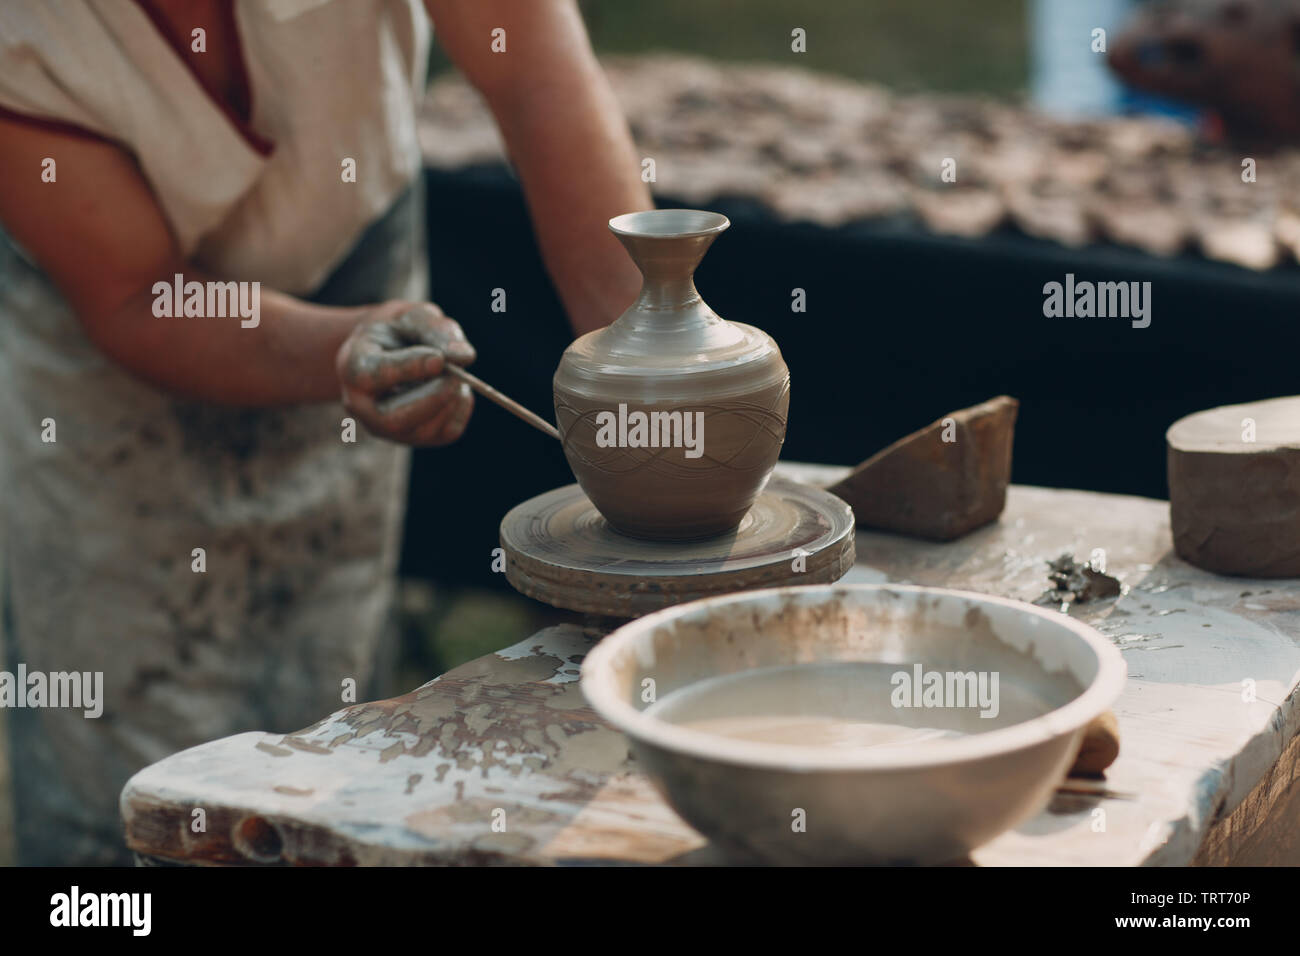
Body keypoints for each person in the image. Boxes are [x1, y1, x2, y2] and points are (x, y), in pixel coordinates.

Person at [0, 0, 650, 865]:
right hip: (115, 340)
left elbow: (531, 70)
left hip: (350, 232)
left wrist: (649, 372)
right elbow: (136, 294)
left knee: (322, 742)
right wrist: (338, 350)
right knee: (126, 792)